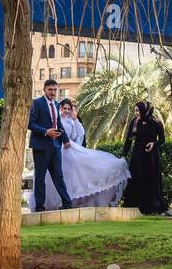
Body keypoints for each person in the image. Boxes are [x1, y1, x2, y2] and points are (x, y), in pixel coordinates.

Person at [27, 100, 130, 211]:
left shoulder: (72, 121)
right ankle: (47, 204)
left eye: (69, 109)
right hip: (56, 150)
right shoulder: (56, 119)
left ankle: (68, 201)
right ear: (60, 108)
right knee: (52, 179)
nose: (66, 111)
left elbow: (80, 135)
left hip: (69, 150)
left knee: (72, 177)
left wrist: (75, 119)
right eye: (64, 108)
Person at [28, 78, 74, 212]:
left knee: (59, 177)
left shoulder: (56, 104)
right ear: (44, 90)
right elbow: (30, 123)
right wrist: (46, 132)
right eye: (50, 89)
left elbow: (58, 124)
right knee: (40, 178)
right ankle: (40, 207)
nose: (53, 92)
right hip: (40, 147)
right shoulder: (36, 103)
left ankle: (67, 203)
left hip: (55, 146)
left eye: (55, 90)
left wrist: (65, 139)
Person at [122, 100, 168, 215]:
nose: (136, 113)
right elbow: (128, 140)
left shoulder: (156, 122)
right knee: (136, 178)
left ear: (144, 110)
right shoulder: (134, 122)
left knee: (150, 180)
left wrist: (154, 144)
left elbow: (162, 140)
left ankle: (152, 207)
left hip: (151, 156)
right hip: (138, 156)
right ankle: (136, 206)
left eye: (138, 110)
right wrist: (123, 155)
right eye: (135, 111)